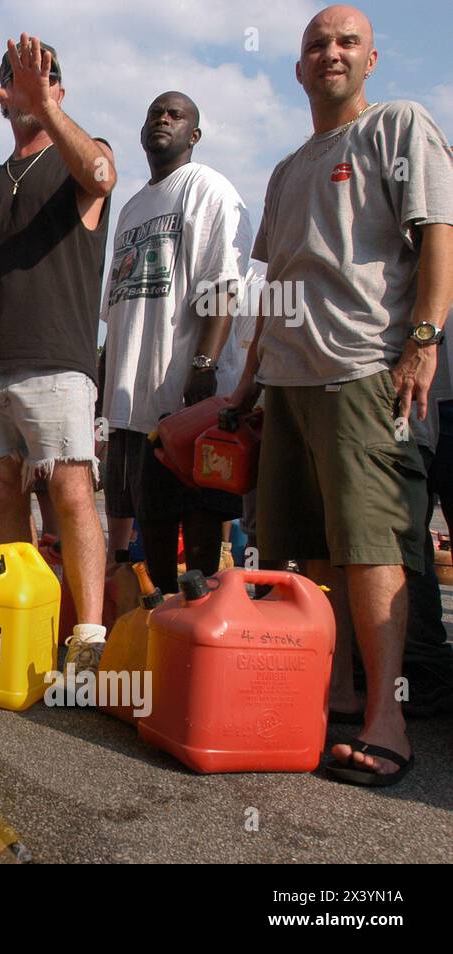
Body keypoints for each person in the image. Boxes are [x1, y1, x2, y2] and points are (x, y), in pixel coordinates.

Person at [228, 5, 453, 785]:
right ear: (298, 69)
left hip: (363, 368)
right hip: (287, 383)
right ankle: (337, 694)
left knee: (371, 545)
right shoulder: (286, 169)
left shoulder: (398, 125)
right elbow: (276, 286)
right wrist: (247, 388)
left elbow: (438, 235)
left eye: (347, 41)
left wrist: (423, 340)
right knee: (310, 547)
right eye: (317, 44)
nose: (332, 52)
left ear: (371, 59)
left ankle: (389, 718)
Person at [0, 36, 116, 676]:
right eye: (15, 80)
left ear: (59, 90)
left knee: (70, 489)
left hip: (55, 357)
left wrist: (45, 105)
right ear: (1, 98)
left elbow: (102, 176)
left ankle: (89, 638)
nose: (27, 88)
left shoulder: (83, 159)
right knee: (3, 490)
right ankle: (22, 622)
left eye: (42, 78)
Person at [100, 91, 252, 591]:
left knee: (200, 518)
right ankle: (164, 615)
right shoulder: (130, 208)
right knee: (152, 516)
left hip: (187, 393)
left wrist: (204, 365)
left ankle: (201, 614)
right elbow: (115, 307)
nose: (162, 119)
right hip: (132, 398)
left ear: (194, 134)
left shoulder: (209, 188)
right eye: (155, 114)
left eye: (175, 114)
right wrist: (104, 387)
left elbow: (225, 284)